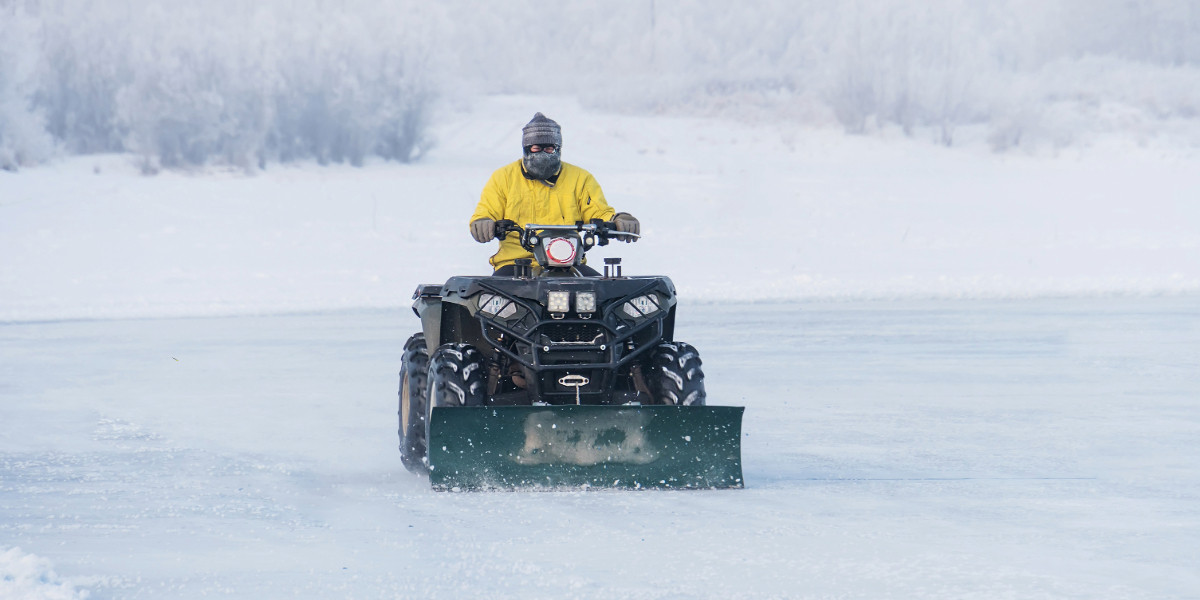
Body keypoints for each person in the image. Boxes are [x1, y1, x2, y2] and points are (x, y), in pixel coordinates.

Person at [468, 113, 640, 276]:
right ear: (527, 149)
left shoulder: (580, 178)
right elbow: (487, 210)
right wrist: (483, 222)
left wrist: (618, 219)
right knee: (493, 302)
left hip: (569, 263)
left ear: (558, 149)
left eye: (549, 148)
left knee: (603, 296)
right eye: (537, 148)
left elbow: (598, 211)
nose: (543, 154)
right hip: (516, 263)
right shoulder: (503, 178)